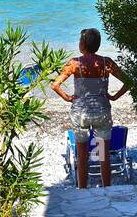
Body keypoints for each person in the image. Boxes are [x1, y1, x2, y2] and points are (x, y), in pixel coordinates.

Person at [51, 28, 128, 189]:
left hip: (81, 113)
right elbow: (128, 82)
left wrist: (68, 98)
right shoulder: (106, 63)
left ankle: (82, 189)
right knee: (103, 155)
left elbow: (55, 85)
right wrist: (114, 97)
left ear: (83, 44)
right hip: (102, 111)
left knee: (82, 155)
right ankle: (106, 188)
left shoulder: (75, 63)